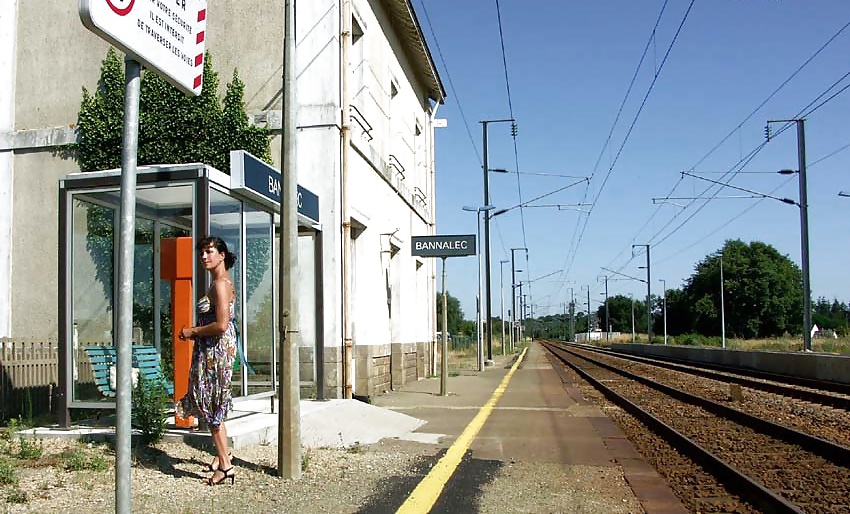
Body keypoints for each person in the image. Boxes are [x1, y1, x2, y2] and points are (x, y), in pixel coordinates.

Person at [177, 236, 238, 486]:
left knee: (211, 402)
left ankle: (225, 466)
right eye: (202, 252)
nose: (204, 257)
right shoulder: (220, 283)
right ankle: (224, 453)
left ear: (221, 255)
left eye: (209, 252)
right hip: (213, 349)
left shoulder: (221, 285)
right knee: (213, 402)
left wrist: (192, 332)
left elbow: (222, 324)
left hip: (216, 350)